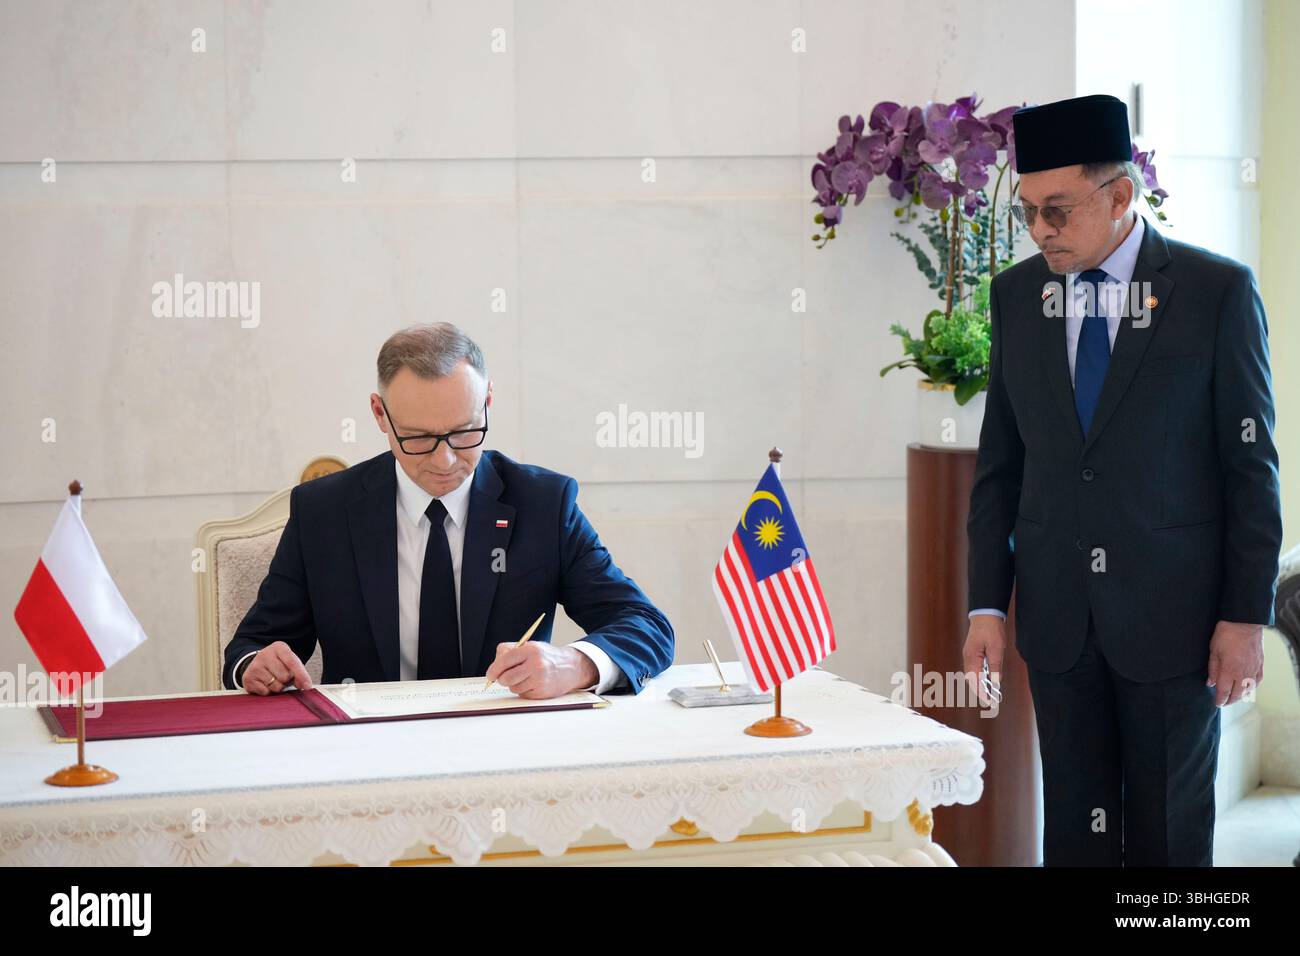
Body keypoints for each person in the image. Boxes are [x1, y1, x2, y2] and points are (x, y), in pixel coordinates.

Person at [962, 94, 1282, 866]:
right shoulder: (1015, 297)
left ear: (1120, 196)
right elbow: (1000, 465)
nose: (1041, 231)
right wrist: (985, 605)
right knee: (1074, 829)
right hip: (1059, 620)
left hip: (1177, 624)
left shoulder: (1215, 293)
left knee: (1168, 837)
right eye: (1028, 212)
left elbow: (1251, 468)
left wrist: (1244, 618)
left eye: (1059, 210)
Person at [223, 323, 674, 699]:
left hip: (509, 748)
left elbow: (647, 627)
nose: (445, 461)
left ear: (488, 403)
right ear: (380, 415)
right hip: (366, 751)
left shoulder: (542, 504)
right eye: (418, 438)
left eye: (463, 433)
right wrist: (256, 667)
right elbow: (250, 647)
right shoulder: (323, 511)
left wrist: (576, 664)